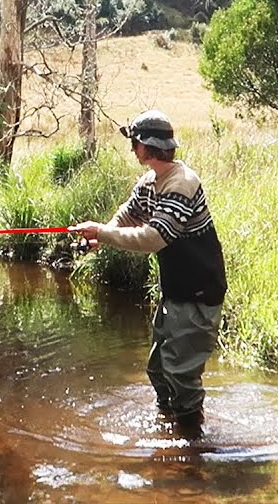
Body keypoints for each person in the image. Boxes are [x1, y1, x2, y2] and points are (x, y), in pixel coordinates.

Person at [69, 109, 226, 437]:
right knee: (158, 369)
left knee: (180, 375)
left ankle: (192, 445)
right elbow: (129, 214)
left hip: (199, 293)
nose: (132, 149)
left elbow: (155, 238)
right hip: (177, 291)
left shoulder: (181, 184)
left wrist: (103, 232)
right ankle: (168, 432)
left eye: (134, 143)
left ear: (148, 146)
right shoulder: (151, 181)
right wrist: (101, 235)